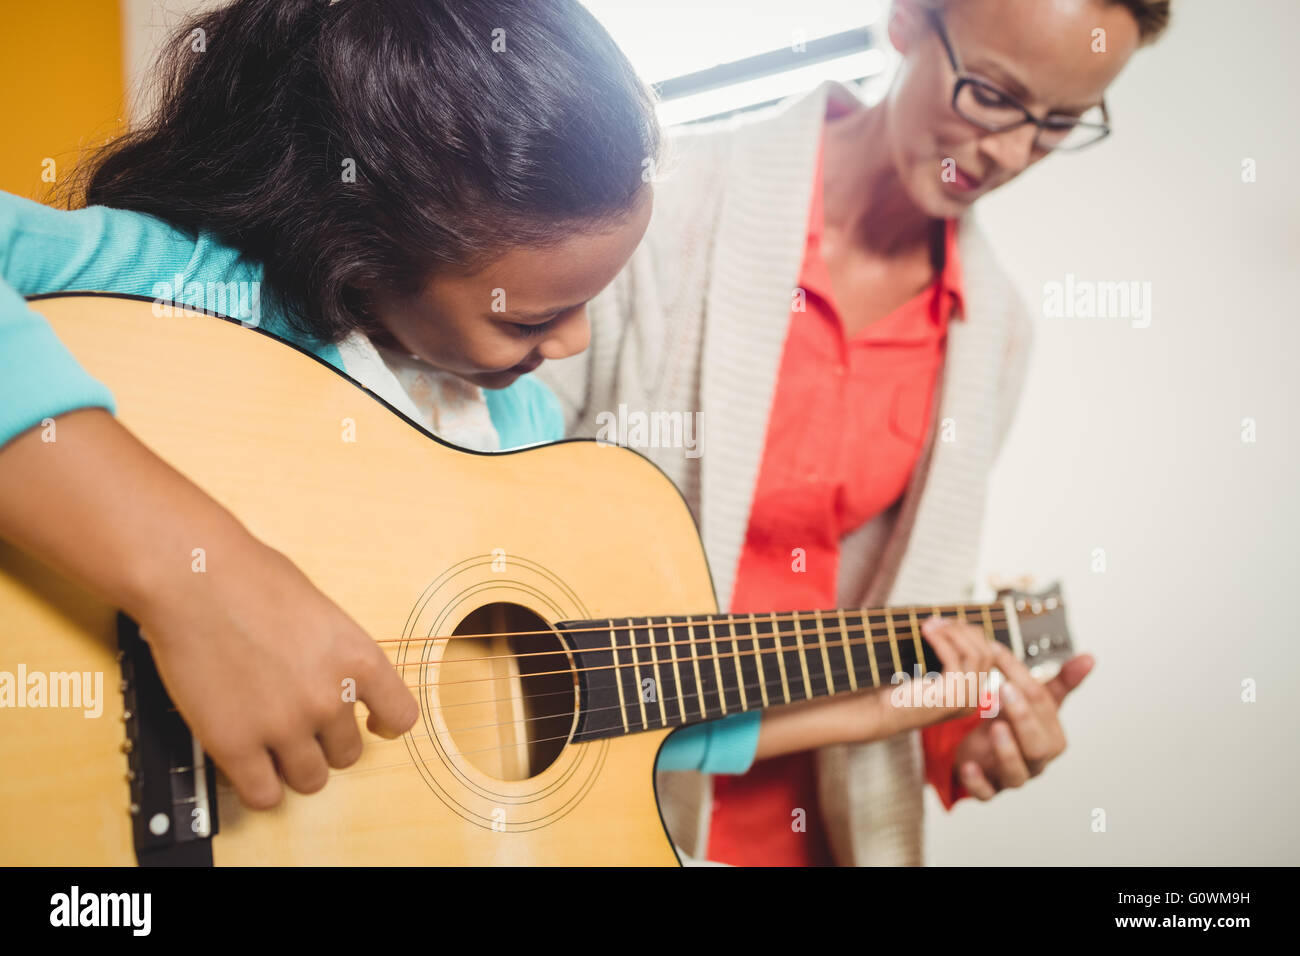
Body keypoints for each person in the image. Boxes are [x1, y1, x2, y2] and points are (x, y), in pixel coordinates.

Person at [539, 0, 1171, 864]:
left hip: (818, 829)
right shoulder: (657, 209)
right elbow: (483, 486)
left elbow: (894, 609)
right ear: (907, 19)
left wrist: (962, 741)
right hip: (585, 801)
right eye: (991, 93)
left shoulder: (998, 331)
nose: (1012, 153)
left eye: (1058, 123)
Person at [0, 0, 666, 812]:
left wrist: (848, 695)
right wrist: (193, 577)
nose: (575, 343)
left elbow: (585, 694)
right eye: (528, 318)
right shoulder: (175, 287)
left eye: (590, 301)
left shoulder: (528, 438)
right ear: (353, 238)